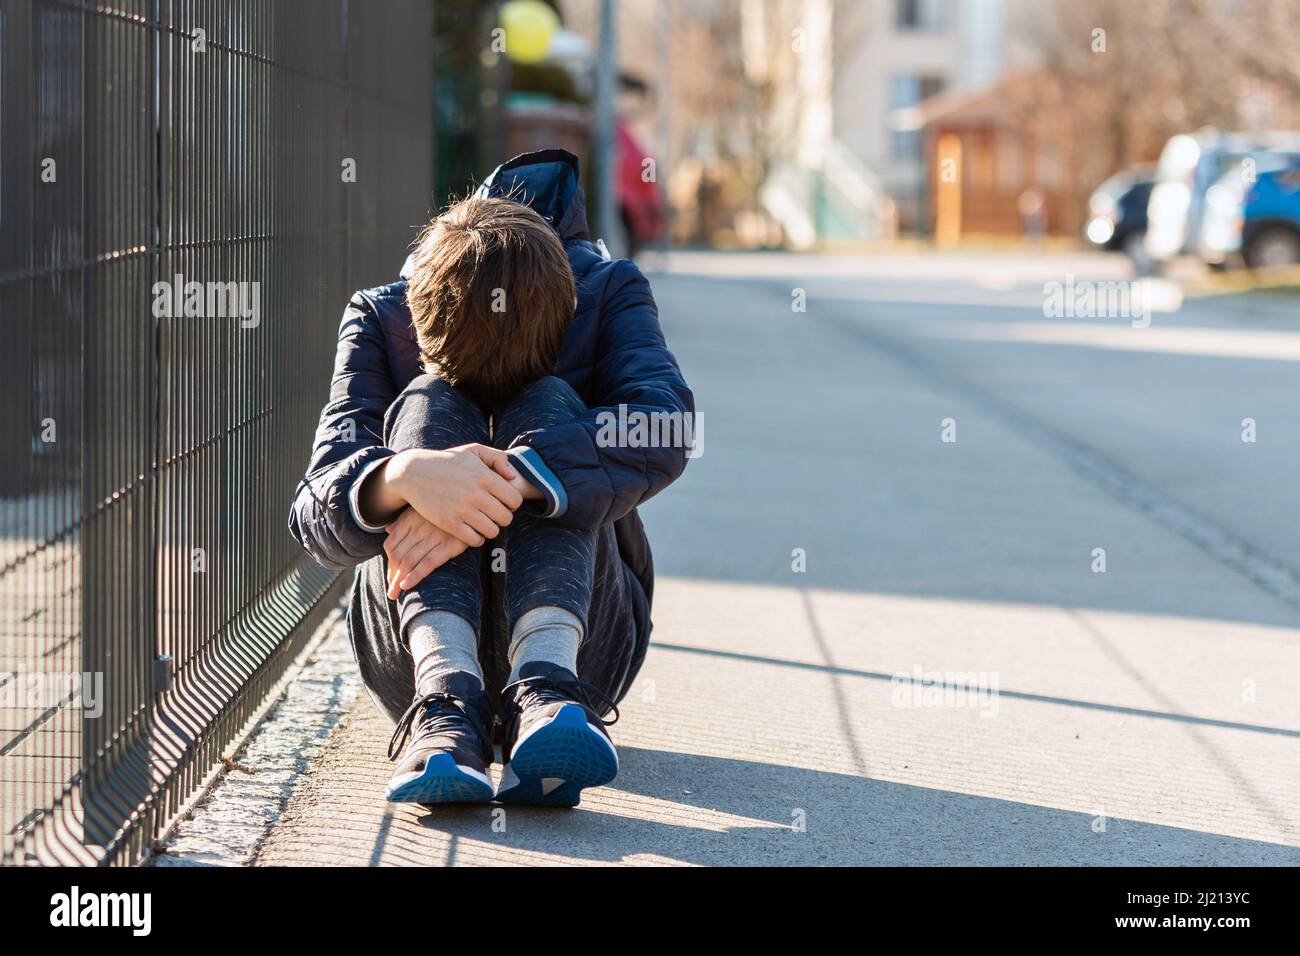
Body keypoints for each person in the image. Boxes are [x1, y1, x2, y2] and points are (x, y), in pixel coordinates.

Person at [288, 149, 694, 807]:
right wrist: (404, 479)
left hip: (589, 649)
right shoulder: (381, 312)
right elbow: (313, 504)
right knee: (428, 404)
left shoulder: (610, 289)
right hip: (412, 665)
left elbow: (665, 425)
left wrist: (520, 475)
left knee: (548, 404)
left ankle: (548, 690)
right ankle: (448, 702)